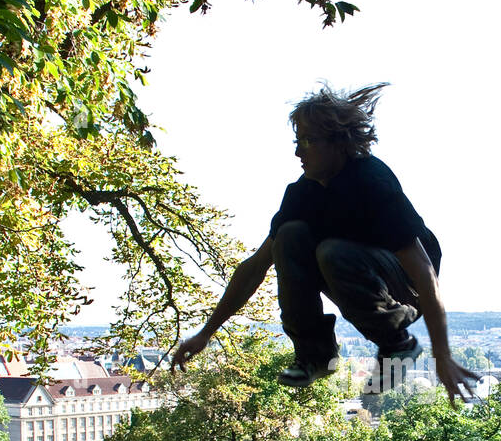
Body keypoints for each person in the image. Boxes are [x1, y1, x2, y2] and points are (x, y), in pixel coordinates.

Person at [170, 83, 479, 406]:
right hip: (355, 273)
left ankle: (397, 342)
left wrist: (441, 354)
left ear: (339, 143)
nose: (298, 152)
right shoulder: (302, 195)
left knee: (331, 252)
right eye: (297, 141)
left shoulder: (371, 182)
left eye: (308, 141)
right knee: (288, 237)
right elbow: (254, 268)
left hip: (405, 288)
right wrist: (206, 332)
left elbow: (423, 270)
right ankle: (315, 355)